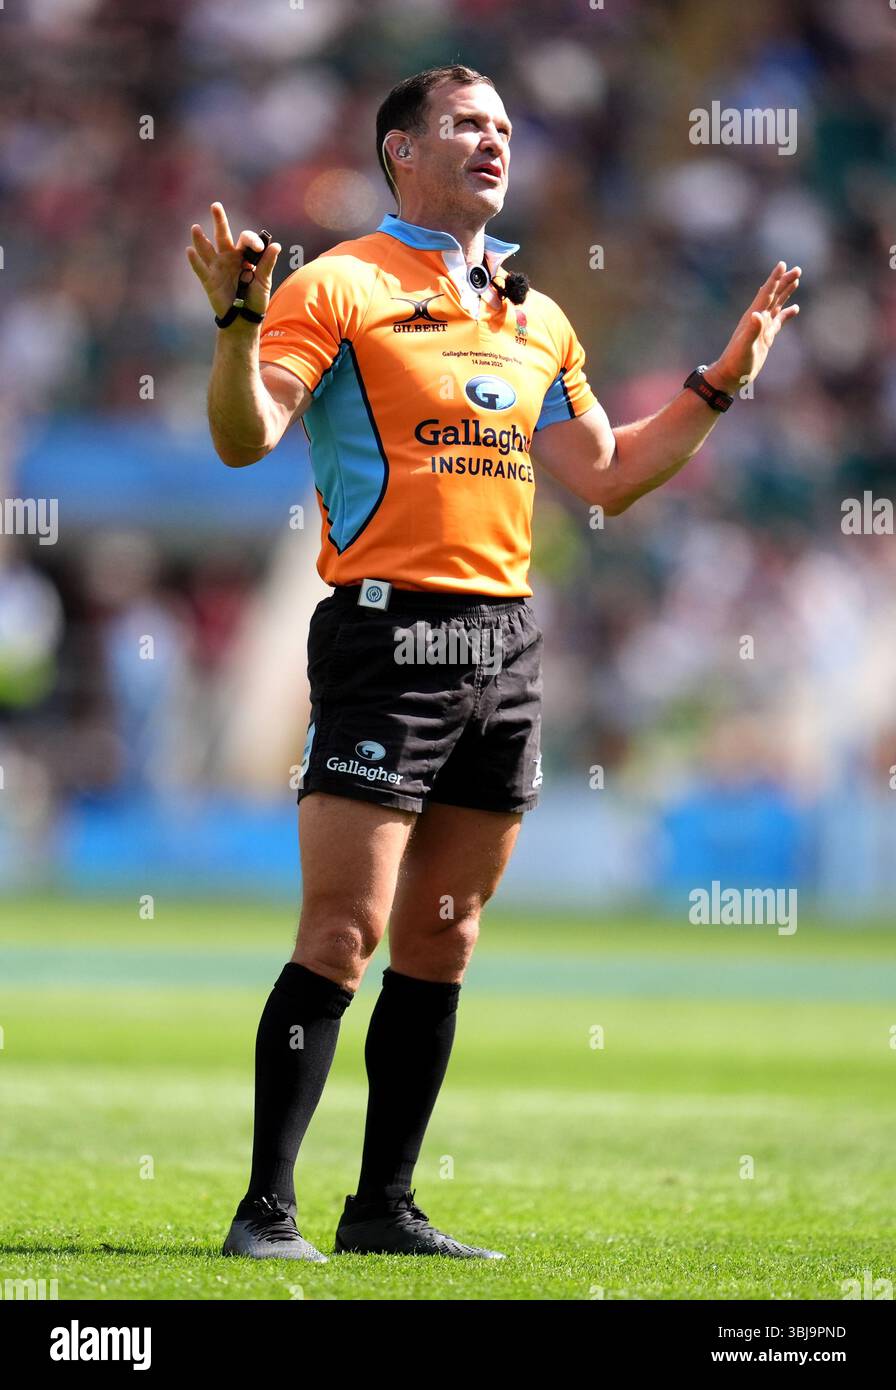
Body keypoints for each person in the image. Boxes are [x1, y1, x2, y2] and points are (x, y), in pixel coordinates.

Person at [186, 63, 800, 1262]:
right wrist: (235, 324)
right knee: (339, 934)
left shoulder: (535, 312)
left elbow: (607, 473)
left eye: (504, 127)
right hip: (384, 636)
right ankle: (266, 1213)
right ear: (399, 152)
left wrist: (721, 383)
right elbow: (242, 435)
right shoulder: (339, 283)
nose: (492, 142)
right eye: (464, 124)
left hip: (504, 644)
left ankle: (382, 1210)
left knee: (442, 940)